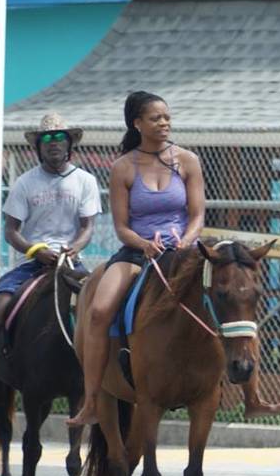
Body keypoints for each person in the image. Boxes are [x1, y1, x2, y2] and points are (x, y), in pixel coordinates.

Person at [67, 91, 205, 428]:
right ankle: (92, 401)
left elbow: (198, 214)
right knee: (99, 312)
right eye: (156, 118)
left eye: (167, 117)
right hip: (137, 254)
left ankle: (249, 393)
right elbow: (121, 227)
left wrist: (186, 242)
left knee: (232, 297)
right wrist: (144, 245)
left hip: (184, 254)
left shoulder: (188, 161)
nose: (164, 123)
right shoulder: (123, 167)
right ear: (137, 123)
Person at [0, 113, 99, 420]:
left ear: (70, 143)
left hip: (72, 262)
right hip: (33, 263)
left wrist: (76, 245)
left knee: (101, 309)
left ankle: (99, 391)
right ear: (37, 146)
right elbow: (11, 231)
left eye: (60, 139)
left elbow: (87, 227)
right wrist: (36, 250)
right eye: (46, 140)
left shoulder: (86, 181)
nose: (53, 145)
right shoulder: (25, 182)